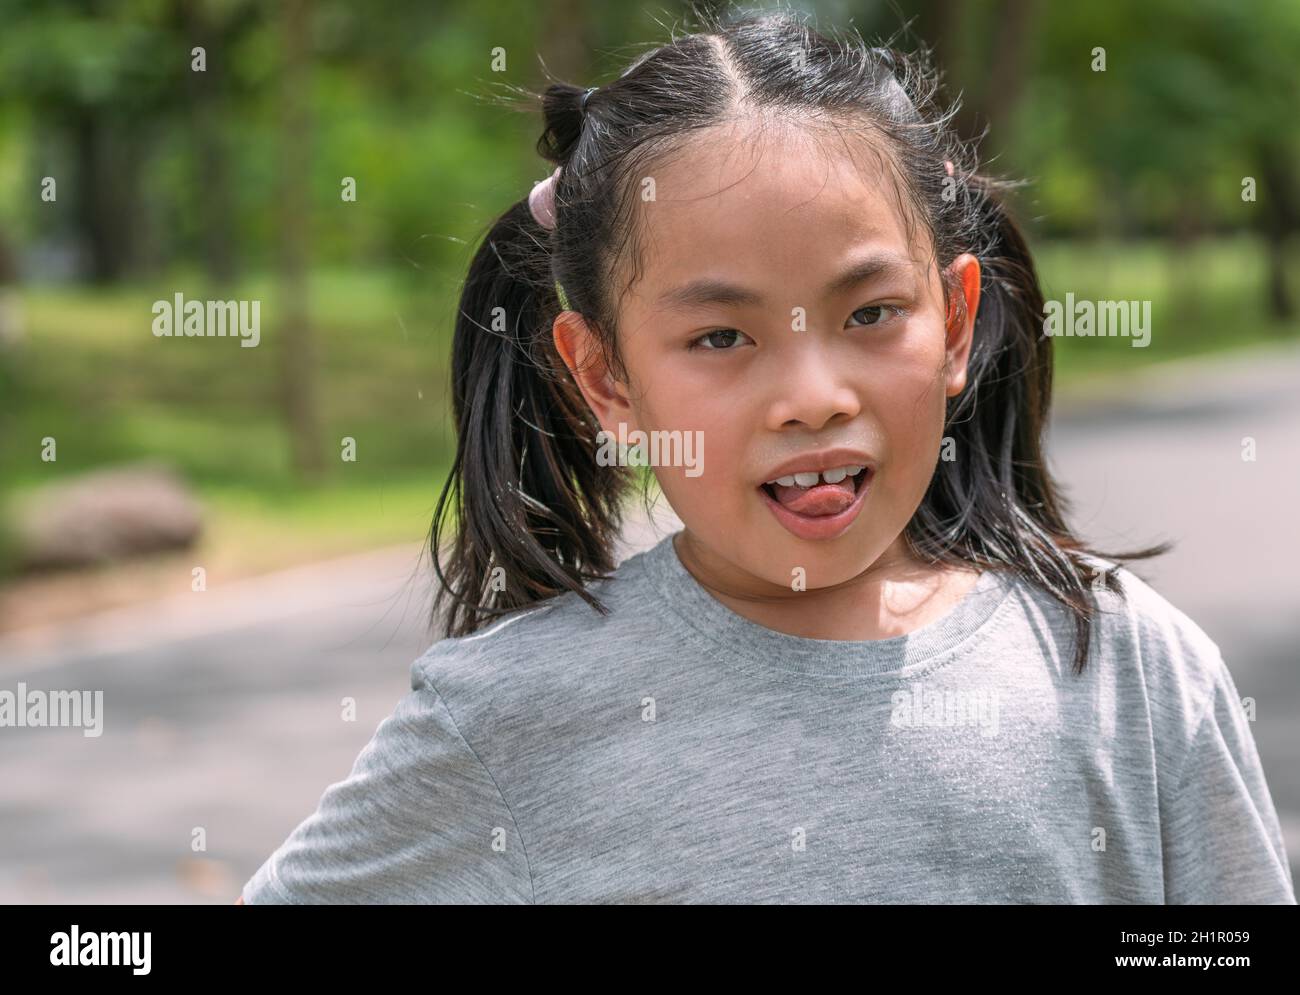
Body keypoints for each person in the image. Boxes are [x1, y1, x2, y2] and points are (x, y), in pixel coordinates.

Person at [239, 8, 1296, 904]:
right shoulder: (510, 717)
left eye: (871, 312)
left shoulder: (1121, 667)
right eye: (721, 337)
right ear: (606, 380)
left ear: (957, 322)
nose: (811, 397)